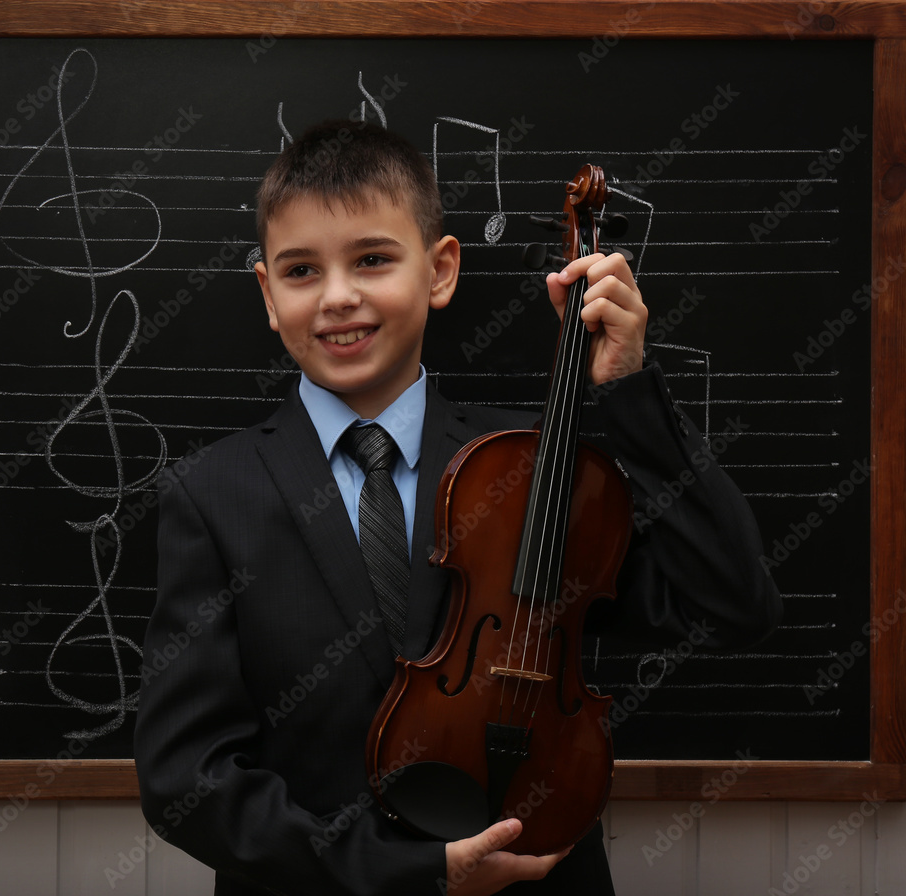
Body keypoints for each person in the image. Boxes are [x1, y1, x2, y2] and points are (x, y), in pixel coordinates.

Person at [134, 119, 781, 896]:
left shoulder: (534, 472)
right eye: (302, 271)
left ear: (440, 272)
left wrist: (629, 394)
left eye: (373, 259)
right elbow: (185, 780)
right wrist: (410, 873)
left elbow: (735, 603)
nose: (339, 297)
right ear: (269, 296)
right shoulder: (211, 494)